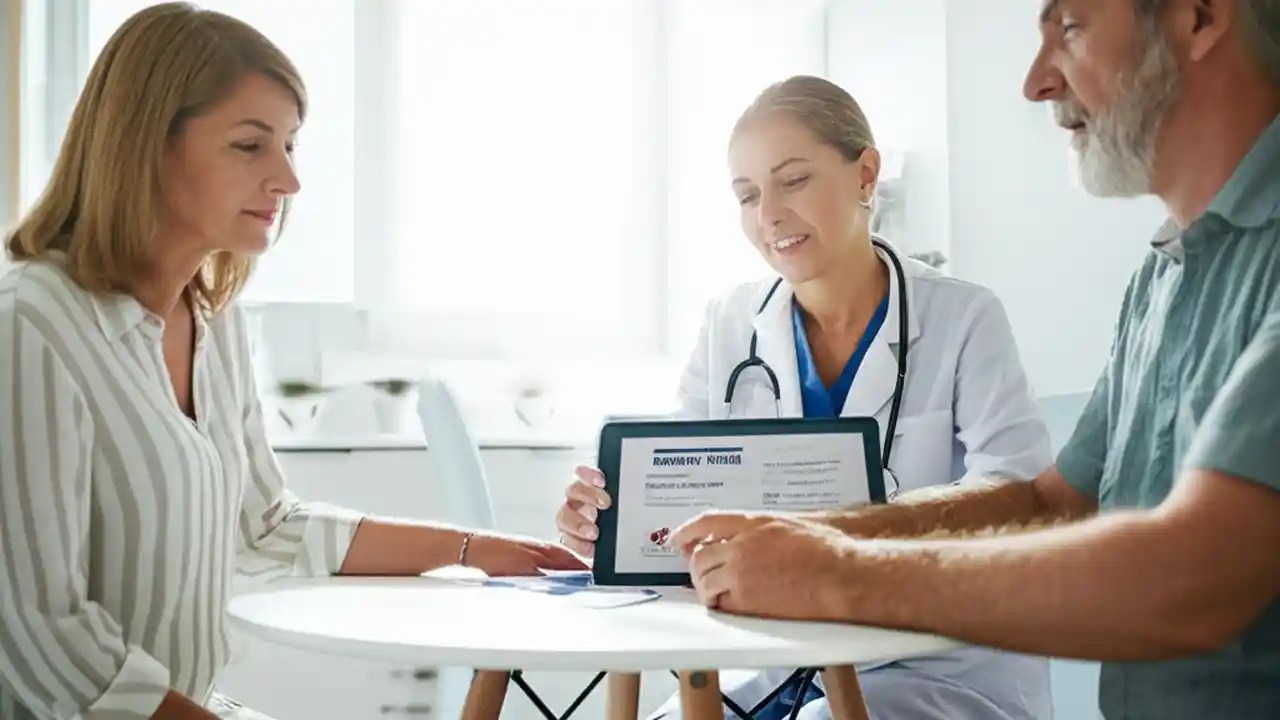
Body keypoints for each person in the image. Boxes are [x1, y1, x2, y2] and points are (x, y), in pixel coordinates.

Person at [672, 1, 1280, 718]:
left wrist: (836, 571)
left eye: (1072, 28)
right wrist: (823, 533)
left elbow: (1194, 581)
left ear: (1200, 17)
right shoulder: (1165, 275)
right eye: (747, 194)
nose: (1034, 82)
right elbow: (1046, 502)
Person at [0, 5, 583, 720]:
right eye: (250, 146)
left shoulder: (213, 322)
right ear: (145, 145)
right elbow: (39, 638)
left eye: (290, 146)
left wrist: (484, 550)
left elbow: (266, 525)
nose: (287, 181)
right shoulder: (30, 327)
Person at [556, 76, 1053, 719]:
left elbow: (1020, 503)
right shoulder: (731, 323)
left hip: (941, 669)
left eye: (793, 181)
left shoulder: (964, 318)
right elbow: (681, 510)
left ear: (865, 175)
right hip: (779, 665)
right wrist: (611, 529)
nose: (768, 216)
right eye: (747, 195)